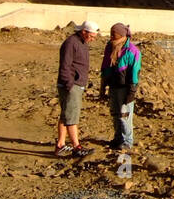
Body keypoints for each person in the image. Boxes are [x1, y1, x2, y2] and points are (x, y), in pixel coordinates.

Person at [56, 20, 99, 156]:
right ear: (83, 32)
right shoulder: (71, 43)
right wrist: (70, 85)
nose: (92, 39)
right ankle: (76, 147)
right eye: (91, 36)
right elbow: (65, 66)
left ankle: (60, 145)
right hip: (71, 85)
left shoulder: (81, 43)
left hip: (74, 84)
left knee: (65, 115)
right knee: (72, 117)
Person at [99, 22, 141, 151]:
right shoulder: (110, 48)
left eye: (114, 35)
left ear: (122, 35)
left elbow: (135, 71)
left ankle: (127, 141)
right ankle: (118, 138)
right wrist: (103, 84)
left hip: (125, 87)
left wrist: (132, 90)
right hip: (113, 86)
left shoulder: (132, 51)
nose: (111, 37)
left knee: (124, 115)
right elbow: (106, 66)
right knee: (115, 113)